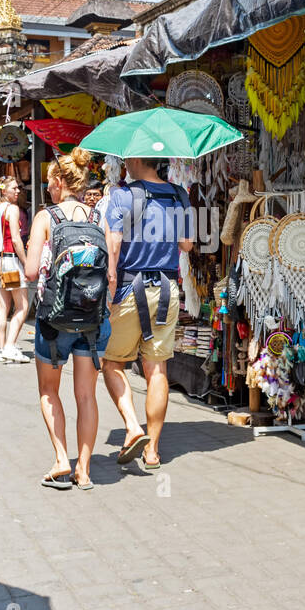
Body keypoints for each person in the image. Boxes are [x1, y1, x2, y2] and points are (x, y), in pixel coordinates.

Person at [24, 148, 109, 491]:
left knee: (48, 390)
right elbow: (110, 274)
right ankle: (84, 470)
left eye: (49, 184)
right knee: (86, 396)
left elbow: (31, 272)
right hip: (92, 319)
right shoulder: (95, 218)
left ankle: (62, 458)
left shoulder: (47, 218)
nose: (48, 190)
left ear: (59, 183)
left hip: (53, 320)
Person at [102, 159, 194, 472]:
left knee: (112, 362)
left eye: (127, 158)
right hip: (166, 289)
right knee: (157, 369)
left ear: (137, 160)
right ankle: (152, 451)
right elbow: (187, 244)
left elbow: (112, 241)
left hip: (128, 287)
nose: (124, 163)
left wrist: (110, 276)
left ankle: (132, 425)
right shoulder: (179, 195)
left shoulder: (122, 195)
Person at [0, 176, 31, 364]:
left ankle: (3, 346)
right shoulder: (12, 209)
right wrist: (27, 262)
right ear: (4, 190)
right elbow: (15, 239)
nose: (18, 191)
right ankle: (11, 346)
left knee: (3, 306)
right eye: (14, 188)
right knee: (22, 306)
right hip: (10, 262)